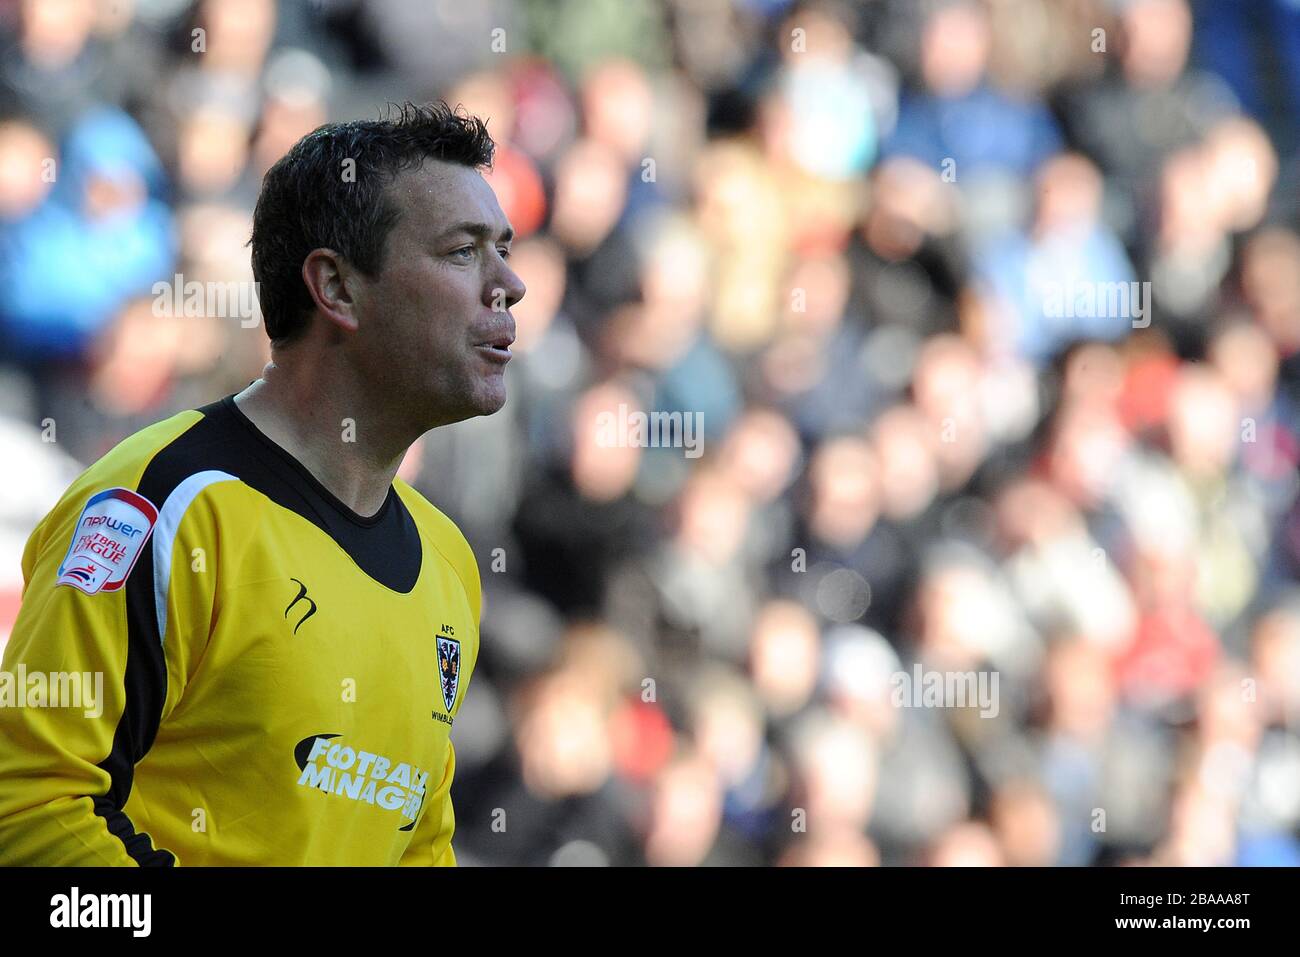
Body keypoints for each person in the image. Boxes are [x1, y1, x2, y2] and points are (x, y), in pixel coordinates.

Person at [0, 101, 526, 865]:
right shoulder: (162, 508)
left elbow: (420, 850)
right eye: (461, 252)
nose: (509, 282)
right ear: (337, 289)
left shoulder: (448, 563)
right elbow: (26, 809)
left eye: (503, 250)